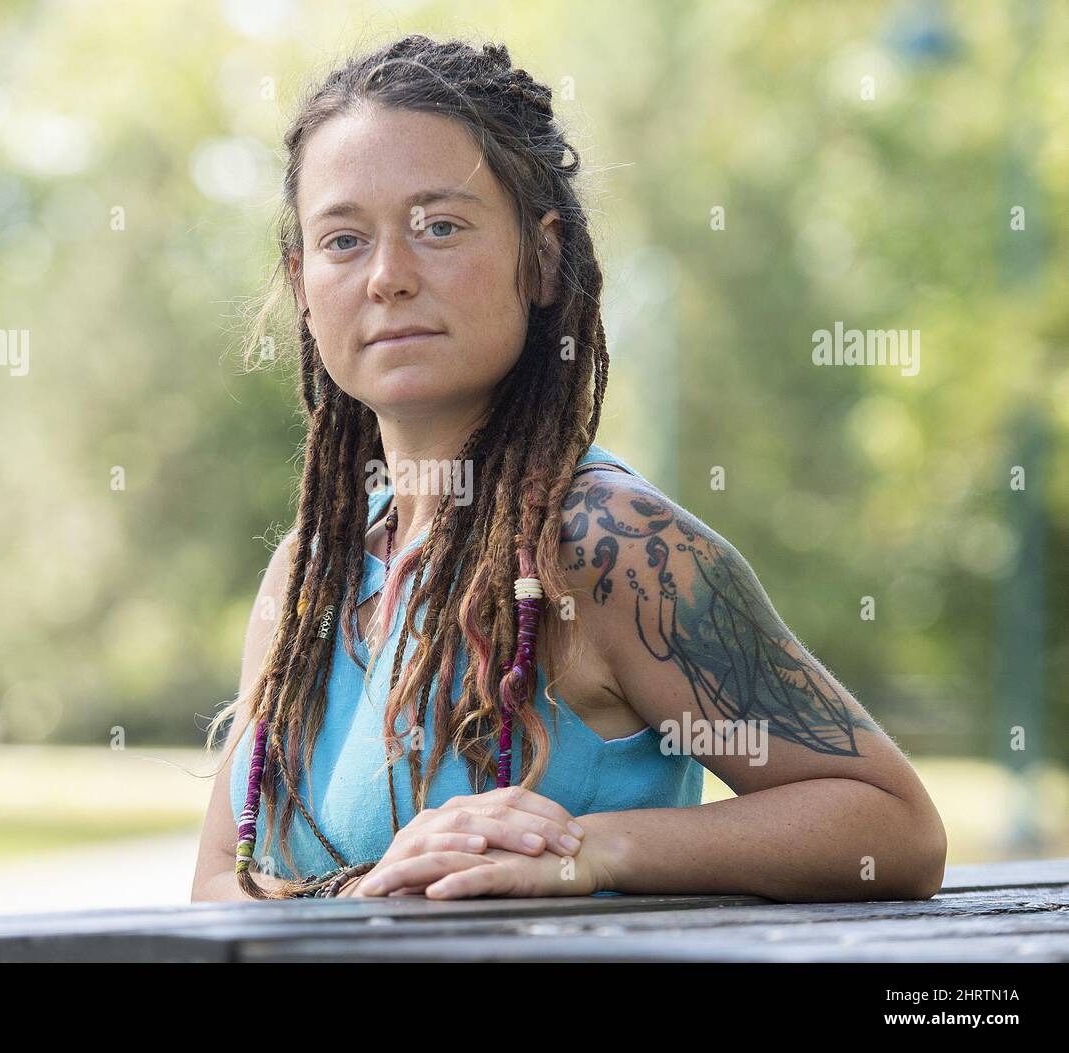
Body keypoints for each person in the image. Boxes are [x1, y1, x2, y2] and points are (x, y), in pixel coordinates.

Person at [190, 35, 947, 902]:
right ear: (301, 282)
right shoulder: (306, 573)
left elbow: (892, 826)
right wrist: (353, 900)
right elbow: (219, 880)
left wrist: (584, 850)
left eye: (440, 226)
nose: (389, 276)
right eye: (343, 240)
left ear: (544, 257)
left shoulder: (606, 545)